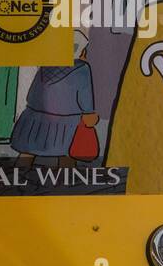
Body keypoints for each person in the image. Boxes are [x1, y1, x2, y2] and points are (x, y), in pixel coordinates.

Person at [11, 31, 98, 168]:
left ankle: (16, 177)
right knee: (67, 155)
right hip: (67, 122)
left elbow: (32, 94)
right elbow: (84, 97)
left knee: (27, 153)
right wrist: (89, 113)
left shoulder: (47, 65)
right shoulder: (82, 69)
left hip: (35, 119)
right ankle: (66, 182)